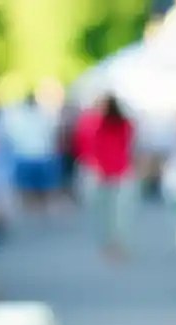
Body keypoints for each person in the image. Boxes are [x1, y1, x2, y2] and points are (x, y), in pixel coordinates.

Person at [77, 94, 136, 259]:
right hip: (106, 173)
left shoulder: (119, 124)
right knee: (108, 213)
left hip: (117, 172)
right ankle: (110, 244)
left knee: (117, 213)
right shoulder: (96, 123)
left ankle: (116, 245)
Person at [3, 93, 61, 211]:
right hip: (34, 155)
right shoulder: (41, 115)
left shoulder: (21, 116)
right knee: (35, 190)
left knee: (34, 190)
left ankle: (35, 211)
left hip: (33, 155)